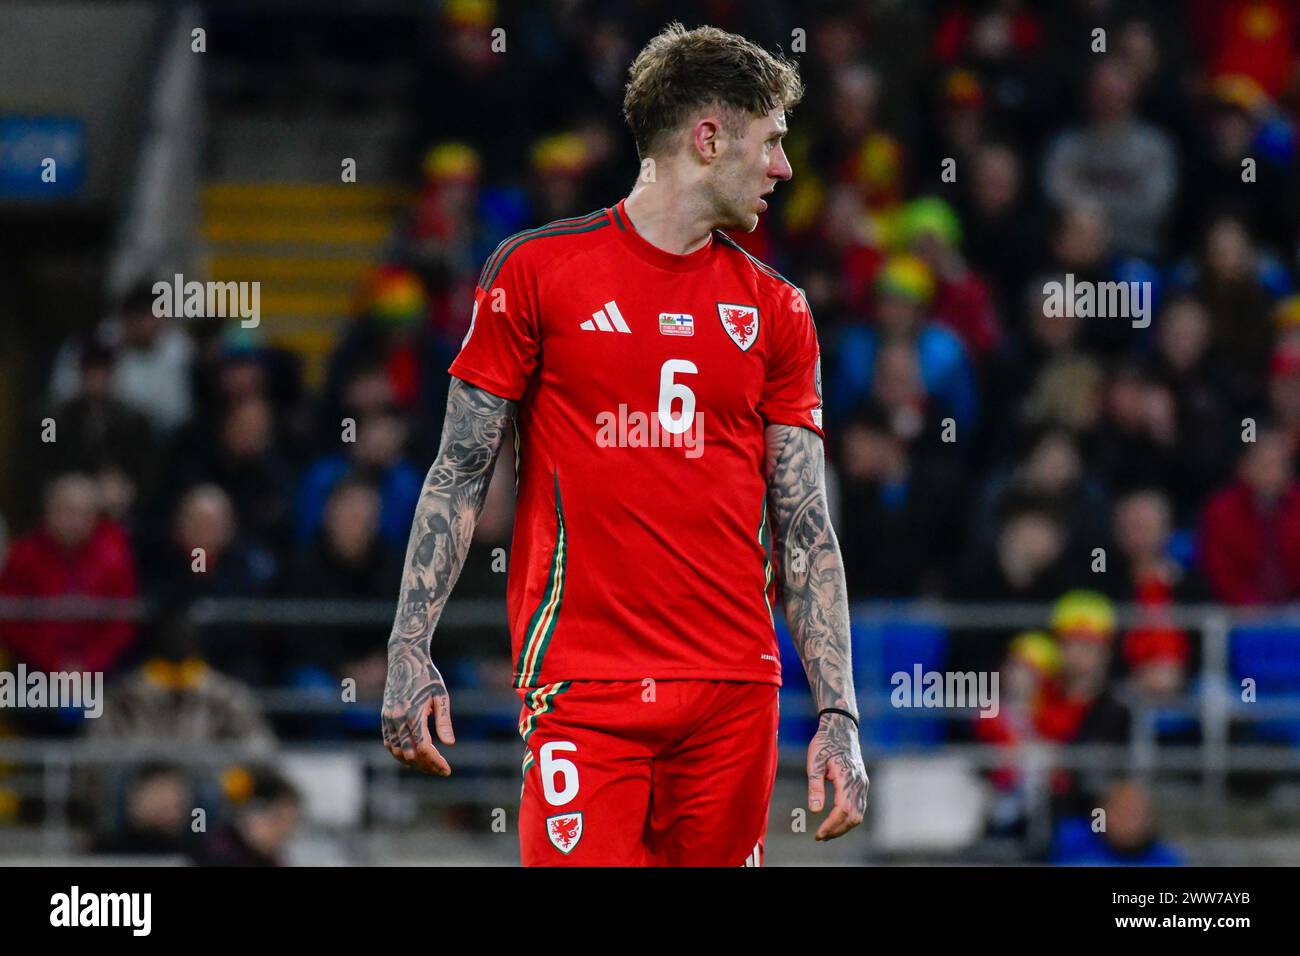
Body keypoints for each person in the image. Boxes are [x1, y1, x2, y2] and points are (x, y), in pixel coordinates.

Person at [381, 22, 868, 867]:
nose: (784, 169)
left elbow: (805, 526)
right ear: (708, 138)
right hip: (585, 685)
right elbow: (459, 472)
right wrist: (408, 647)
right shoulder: (535, 273)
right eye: (773, 142)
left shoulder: (780, 310)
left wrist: (839, 716)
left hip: (732, 689)